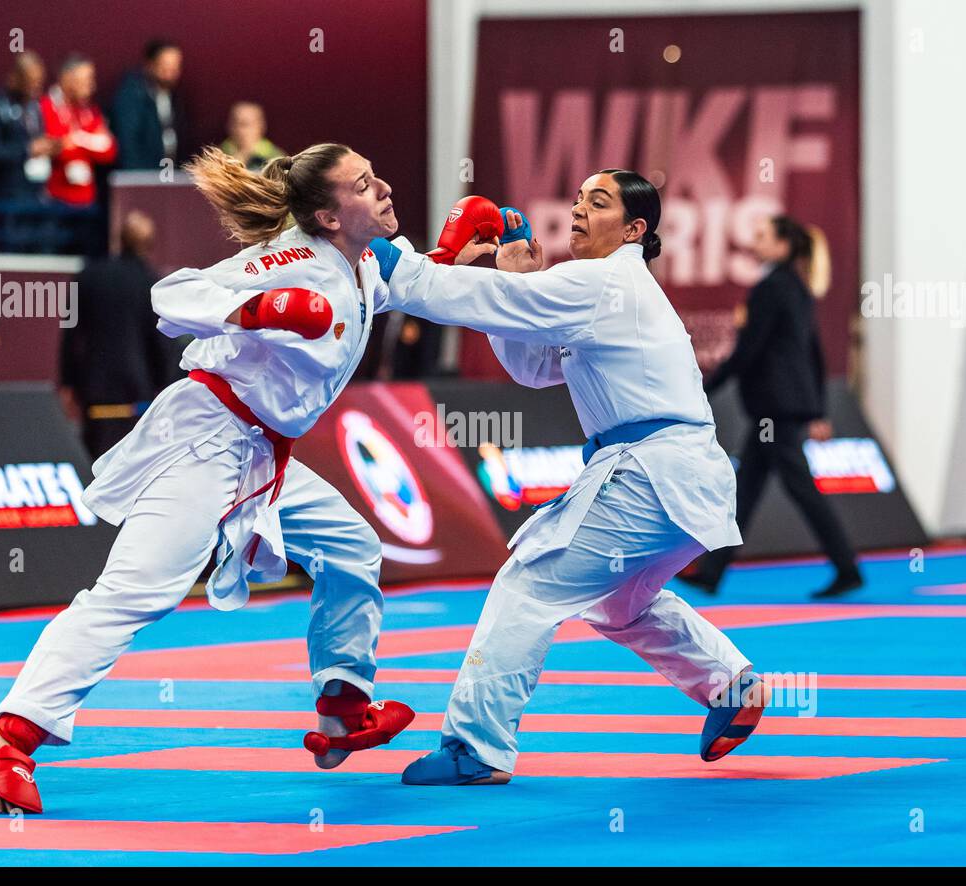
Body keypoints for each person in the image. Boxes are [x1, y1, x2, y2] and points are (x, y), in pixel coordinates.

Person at [0, 143, 414, 814]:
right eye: (362, 184)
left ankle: (344, 706)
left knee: (352, 546)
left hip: (262, 452)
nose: (381, 188)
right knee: (138, 588)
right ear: (326, 214)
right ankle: (11, 738)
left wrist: (472, 256)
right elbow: (174, 295)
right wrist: (255, 312)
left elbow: (423, 282)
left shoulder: (362, 268)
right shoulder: (291, 260)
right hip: (206, 439)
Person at [367, 173, 770, 786]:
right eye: (579, 200)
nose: (580, 210)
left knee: (528, 583)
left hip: (650, 468)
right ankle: (729, 684)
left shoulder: (604, 280)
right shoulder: (611, 288)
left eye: (599, 203)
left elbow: (477, 301)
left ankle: (477, 747)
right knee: (616, 602)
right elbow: (533, 367)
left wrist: (395, 262)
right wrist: (515, 281)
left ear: (635, 230)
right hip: (680, 475)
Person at [682, 214, 864, 599]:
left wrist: (703, 389)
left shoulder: (770, 288)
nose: (756, 241)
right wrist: (816, 409)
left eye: (763, 236)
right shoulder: (795, 287)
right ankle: (713, 571)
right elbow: (813, 353)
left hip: (775, 408)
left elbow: (750, 350)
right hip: (784, 405)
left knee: (799, 489)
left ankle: (847, 566)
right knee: (747, 489)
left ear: (783, 245)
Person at [59, 210, 185, 458]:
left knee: (95, 465)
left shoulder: (87, 276)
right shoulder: (151, 283)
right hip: (137, 393)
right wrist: (165, 383)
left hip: (95, 392)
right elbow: (161, 340)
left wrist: (68, 382)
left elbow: (71, 335)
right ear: (149, 245)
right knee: (134, 464)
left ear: (119, 239)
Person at [0, 53, 60, 199]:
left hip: (35, 190)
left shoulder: (34, 107)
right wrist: (27, 150)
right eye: (30, 82)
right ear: (15, 79)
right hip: (5, 194)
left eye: (38, 82)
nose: (35, 88)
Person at [40, 54, 117, 206]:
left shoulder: (90, 111)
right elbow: (57, 148)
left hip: (86, 199)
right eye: (87, 79)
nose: (92, 85)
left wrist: (77, 139)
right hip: (54, 199)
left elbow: (109, 152)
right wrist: (91, 142)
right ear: (67, 78)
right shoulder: (45, 107)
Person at [111, 39, 184, 171]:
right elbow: (128, 143)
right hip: (142, 177)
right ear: (150, 65)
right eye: (164, 66)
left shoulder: (173, 97)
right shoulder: (133, 95)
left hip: (166, 173)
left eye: (175, 67)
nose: (170, 73)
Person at [220, 102, 283, 172]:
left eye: (245, 124)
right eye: (234, 124)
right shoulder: (221, 152)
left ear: (260, 126)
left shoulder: (274, 156)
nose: (239, 130)